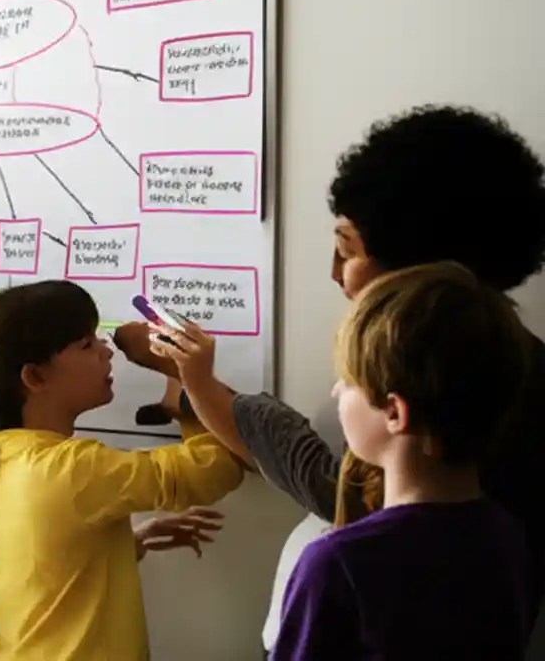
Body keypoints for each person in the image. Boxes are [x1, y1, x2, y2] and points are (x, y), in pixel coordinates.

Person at [116, 104, 545, 656]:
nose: (334, 272)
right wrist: (194, 388)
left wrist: (196, 384)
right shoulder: (496, 514)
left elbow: (330, 481)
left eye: (347, 249)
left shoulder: (345, 561)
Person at [0, 279, 244, 661]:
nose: (106, 351)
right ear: (35, 377)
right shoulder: (70, 469)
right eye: (86, 345)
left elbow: (44, 562)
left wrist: (122, 543)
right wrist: (186, 376)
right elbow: (216, 468)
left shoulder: (2, 454)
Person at [268, 262, 536, 658]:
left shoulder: (337, 565)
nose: (336, 390)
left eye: (350, 379)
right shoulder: (509, 538)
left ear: (394, 412)